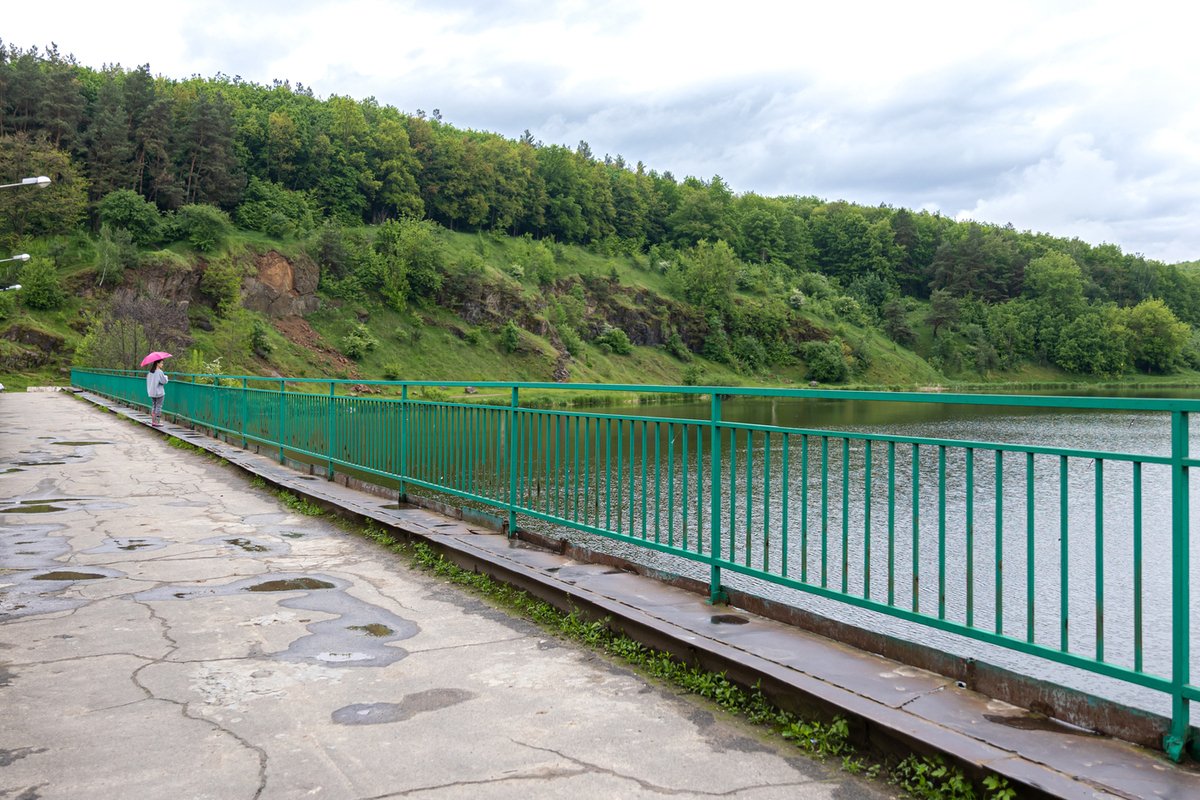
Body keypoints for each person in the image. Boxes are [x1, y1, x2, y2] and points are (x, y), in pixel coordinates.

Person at [146, 360, 169, 427]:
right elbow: (163, 381)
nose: (162, 364)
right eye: (161, 363)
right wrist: (166, 377)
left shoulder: (150, 372)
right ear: (157, 363)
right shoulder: (159, 372)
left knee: (154, 406)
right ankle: (157, 422)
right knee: (159, 406)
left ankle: (153, 421)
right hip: (159, 392)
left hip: (152, 392)